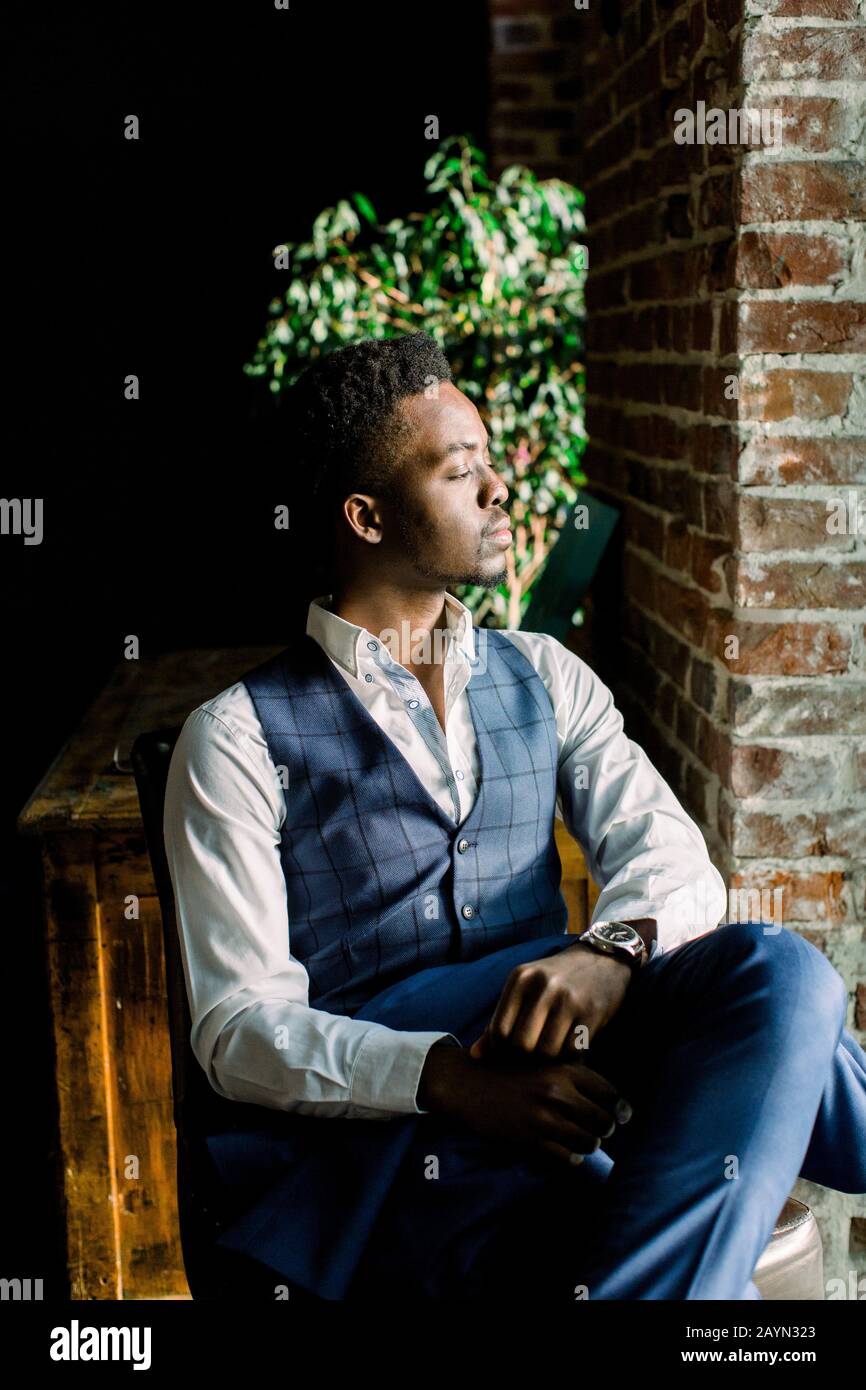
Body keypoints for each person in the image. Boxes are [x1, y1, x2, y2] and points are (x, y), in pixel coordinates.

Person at [164, 332, 866, 1300]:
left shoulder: (544, 671)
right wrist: (450, 1077)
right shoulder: (234, 735)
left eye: (491, 462)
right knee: (770, 975)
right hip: (378, 1142)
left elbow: (667, 854)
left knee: (771, 975)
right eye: (462, 472)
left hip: (548, 1104)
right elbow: (238, 1030)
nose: (500, 490)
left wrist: (607, 949)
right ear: (364, 516)